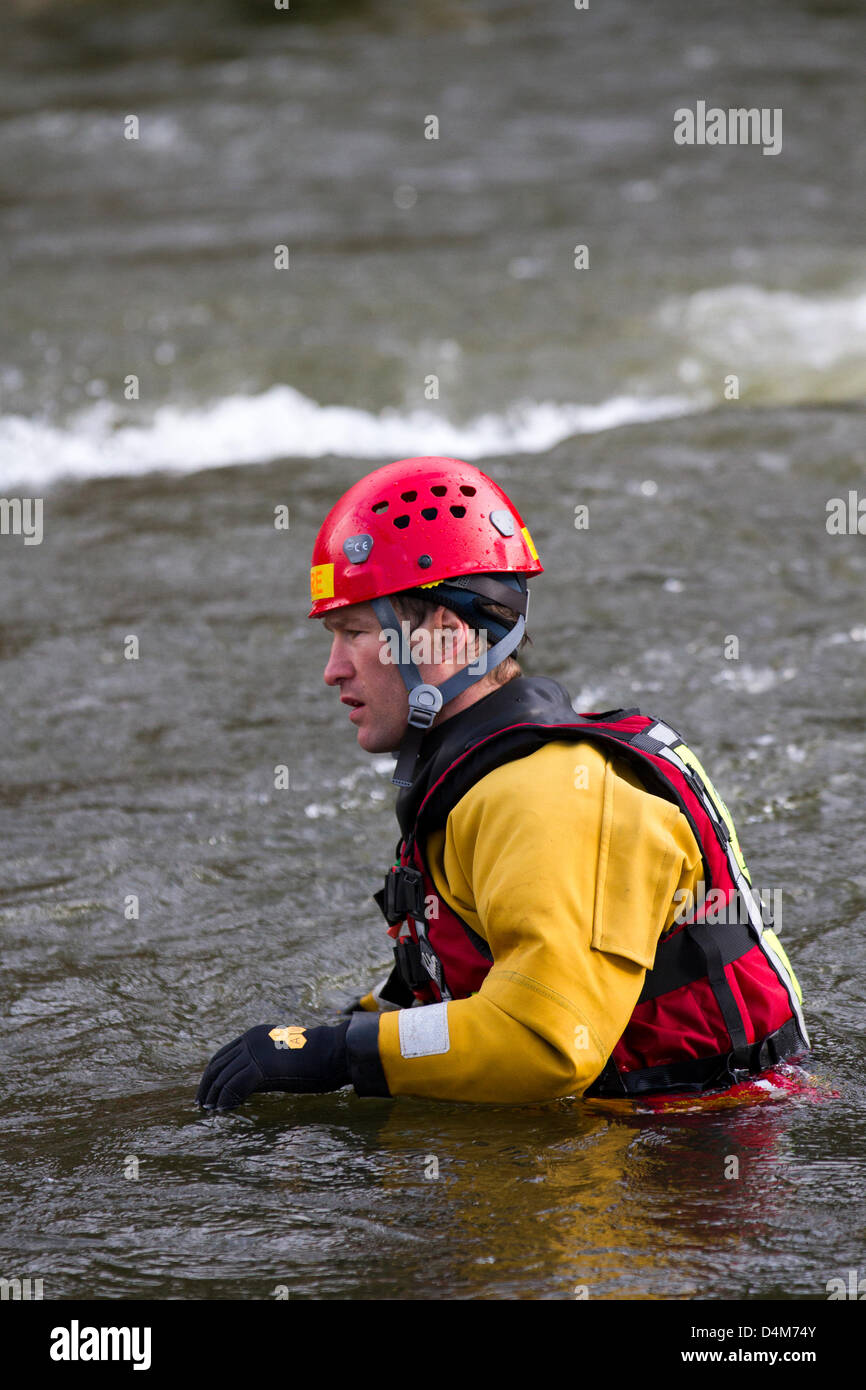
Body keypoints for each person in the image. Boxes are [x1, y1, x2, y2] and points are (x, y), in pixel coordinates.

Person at [197, 455, 809, 1111]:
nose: (332, 670)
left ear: (445, 636)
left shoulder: (549, 793)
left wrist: (336, 1054)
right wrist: (331, 1038)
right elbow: (445, 992)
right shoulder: (485, 781)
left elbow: (544, 1038)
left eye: (353, 634)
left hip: (687, 1168)